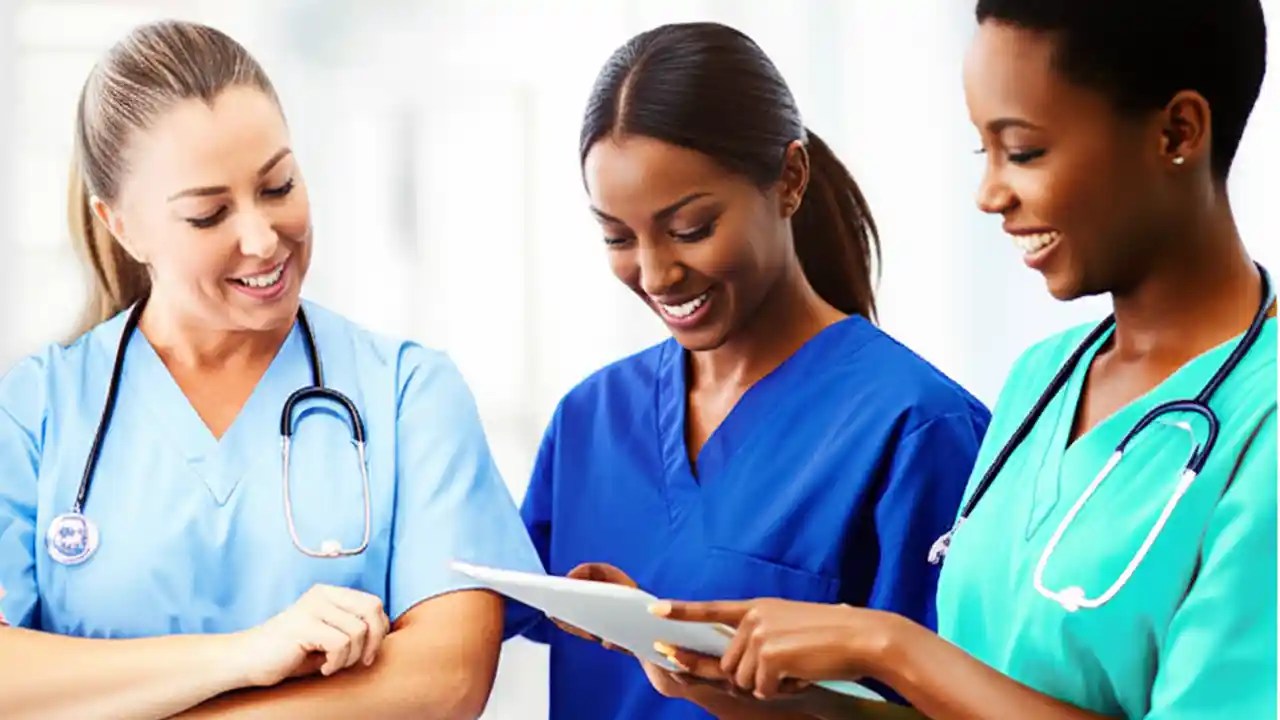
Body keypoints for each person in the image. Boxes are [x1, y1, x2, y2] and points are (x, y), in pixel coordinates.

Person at [646, 2, 1278, 719]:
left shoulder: (1265, 427)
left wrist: (889, 646)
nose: (990, 195)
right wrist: (745, 692)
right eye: (986, 152)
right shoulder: (1043, 380)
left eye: (1026, 151)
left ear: (1177, 132)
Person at [0, 20, 541, 719]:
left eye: (279, 186)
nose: (262, 239)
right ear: (122, 226)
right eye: (207, 214)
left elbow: (446, 677)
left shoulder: (408, 393)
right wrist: (245, 654)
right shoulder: (37, 407)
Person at [511, 21, 992, 720]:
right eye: (617, 236)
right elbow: (488, 613)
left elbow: (951, 702)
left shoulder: (917, 429)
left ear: (789, 181)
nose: (654, 273)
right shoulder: (593, 417)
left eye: (691, 229)